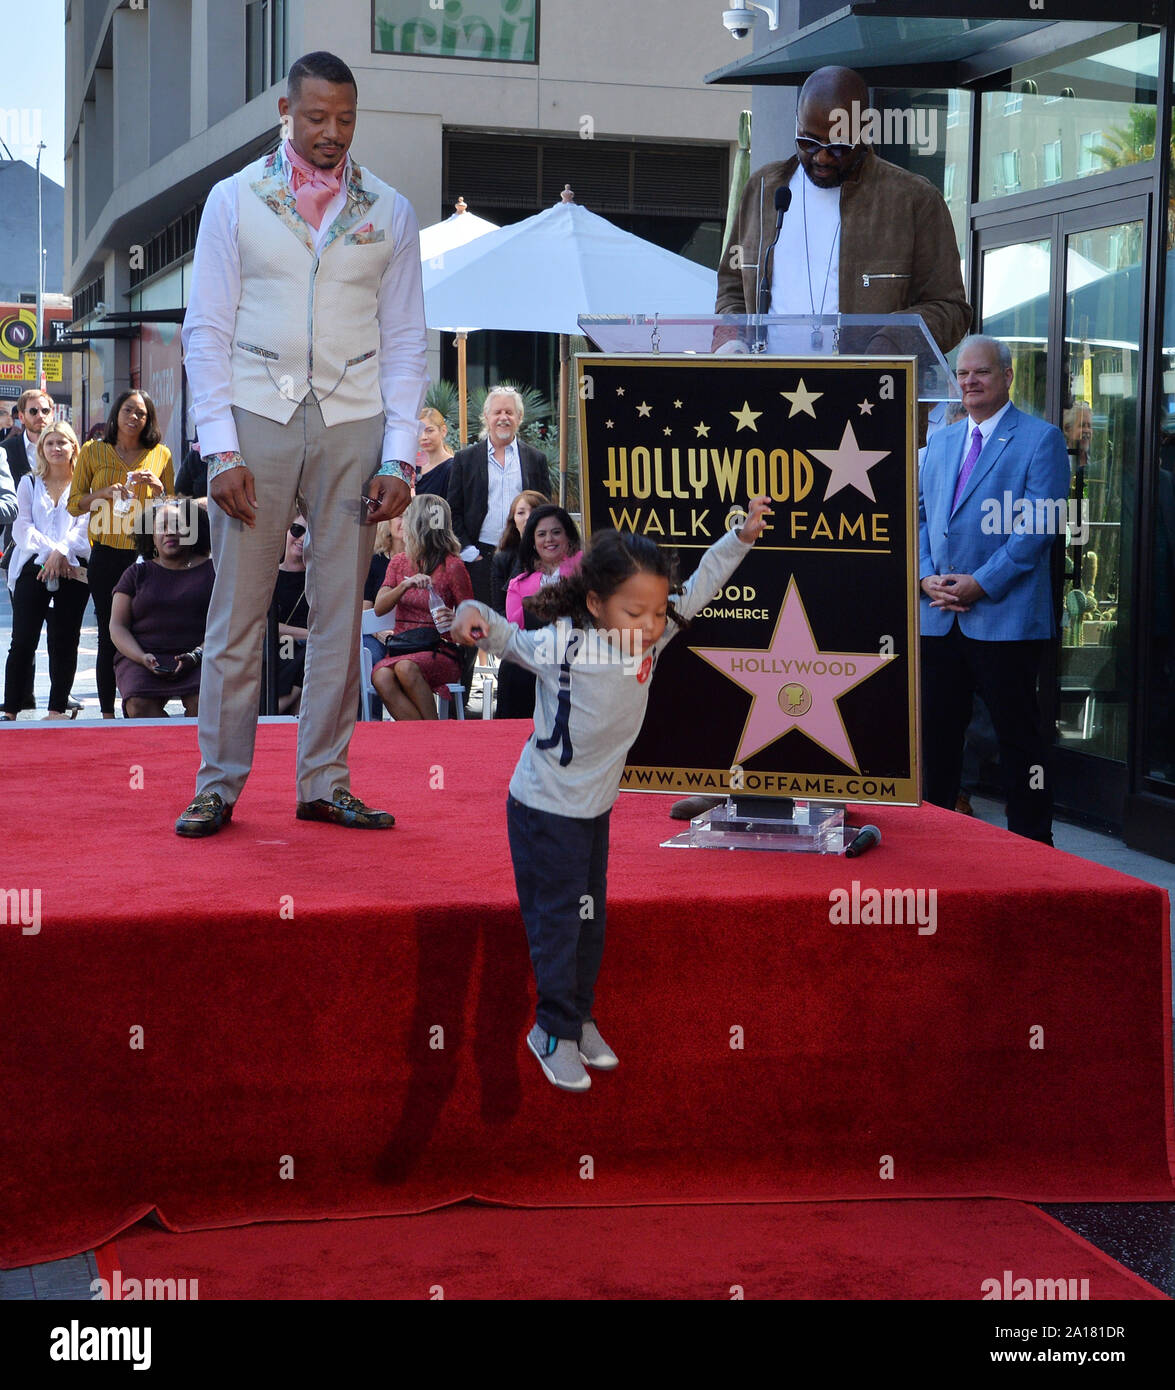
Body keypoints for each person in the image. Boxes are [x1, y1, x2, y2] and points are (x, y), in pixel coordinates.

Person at [174, 49, 428, 837]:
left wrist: (399, 456)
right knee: (237, 615)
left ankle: (323, 780)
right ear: (285, 111)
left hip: (355, 421)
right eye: (315, 118)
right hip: (256, 417)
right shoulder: (233, 199)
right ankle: (218, 783)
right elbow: (206, 328)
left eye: (344, 120)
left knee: (338, 617)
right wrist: (219, 447)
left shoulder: (389, 209)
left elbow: (408, 341)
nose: (330, 134)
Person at [449, 497, 772, 1091]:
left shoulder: (651, 636)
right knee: (559, 925)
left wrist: (741, 538)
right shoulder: (564, 646)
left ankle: (579, 1017)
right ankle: (551, 1030)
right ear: (596, 604)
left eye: (655, 612)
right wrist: (472, 613)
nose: (650, 626)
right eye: (634, 612)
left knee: (589, 920)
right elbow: (506, 638)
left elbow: (701, 586)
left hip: (593, 811)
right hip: (544, 811)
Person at [919, 334, 1070, 845]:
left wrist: (981, 583)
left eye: (980, 372)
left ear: (1007, 376)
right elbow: (916, 518)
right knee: (935, 737)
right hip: (938, 615)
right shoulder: (938, 442)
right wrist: (923, 577)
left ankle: (1033, 843)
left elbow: (1037, 531)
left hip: (1004, 618)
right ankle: (934, 836)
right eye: (962, 374)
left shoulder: (1040, 439)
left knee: (1020, 740)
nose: (969, 382)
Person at [715, 65, 969, 360]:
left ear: (866, 130)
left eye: (837, 147)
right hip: (769, 390)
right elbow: (731, 287)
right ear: (796, 125)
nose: (821, 157)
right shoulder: (762, 189)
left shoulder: (914, 199)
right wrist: (731, 341)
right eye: (808, 142)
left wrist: (893, 341)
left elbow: (951, 309)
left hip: (869, 394)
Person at [67, 389, 173, 718]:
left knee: (148, 630)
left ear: (149, 421)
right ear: (116, 414)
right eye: (128, 410)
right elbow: (74, 505)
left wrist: (158, 490)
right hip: (107, 554)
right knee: (108, 632)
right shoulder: (93, 452)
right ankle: (107, 714)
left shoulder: (161, 455)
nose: (134, 418)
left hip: (146, 557)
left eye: (141, 414)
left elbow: (172, 511)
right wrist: (104, 493)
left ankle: (140, 704)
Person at [1, 423, 91, 721]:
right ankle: (11, 709)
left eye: (62, 443)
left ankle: (56, 709)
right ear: (42, 450)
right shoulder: (29, 483)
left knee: (65, 639)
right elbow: (22, 527)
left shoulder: (84, 486)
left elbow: (84, 528)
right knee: (23, 639)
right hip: (33, 567)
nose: (56, 448)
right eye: (50, 443)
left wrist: (61, 552)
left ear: (73, 448)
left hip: (72, 568)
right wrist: (49, 555)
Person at [109, 498, 214, 719]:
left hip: (199, 658)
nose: (169, 532)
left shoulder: (214, 571)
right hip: (143, 657)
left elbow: (224, 624)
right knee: (138, 704)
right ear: (152, 537)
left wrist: (196, 655)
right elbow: (117, 627)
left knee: (205, 704)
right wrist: (141, 657)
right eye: (161, 528)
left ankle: (197, 752)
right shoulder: (136, 573)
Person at [446, 387, 550, 608]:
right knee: (483, 629)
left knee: (522, 625)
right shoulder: (465, 459)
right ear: (486, 417)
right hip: (481, 556)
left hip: (524, 555)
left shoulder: (535, 459)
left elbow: (545, 510)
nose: (504, 417)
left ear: (519, 417)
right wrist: (469, 552)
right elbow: (453, 509)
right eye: (497, 412)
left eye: (509, 412)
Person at [371, 493, 472, 720]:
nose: (404, 523)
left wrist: (456, 619)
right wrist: (404, 586)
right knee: (380, 676)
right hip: (403, 646)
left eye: (408, 517)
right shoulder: (398, 562)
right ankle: (425, 738)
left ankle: (431, 736)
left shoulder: (452, 566)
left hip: (440, 648)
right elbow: (379, 608)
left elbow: (473, 621)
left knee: (405, 668)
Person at [497, 504, 582, 720]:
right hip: (537, 651)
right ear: (533, 543)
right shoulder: (519, 584)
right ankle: (513, 732)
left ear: (568, 538)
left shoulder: (585, 572)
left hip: (578, 650)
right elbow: (515, 629)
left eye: (556, 532)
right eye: (541, 534)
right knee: (513, 665)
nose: (549, 540)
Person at [272, 515, 310, 715]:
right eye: (297, 530)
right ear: (285, 530)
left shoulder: (318, 579)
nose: (302, 538)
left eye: (310, 533)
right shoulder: (268, 575)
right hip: (271, 647)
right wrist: (311, 635)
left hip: (305, 650)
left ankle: (272, 712)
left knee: (312, 657)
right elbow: (266, 626)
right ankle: (273, 713)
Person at [490, 488, 547, 615]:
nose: (528, 517)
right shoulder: (502, 559)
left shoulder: (557, 554)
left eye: (534, 511)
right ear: (513, 521)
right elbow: (499, 610)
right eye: (521, 513)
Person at [414, 407, 453, 499]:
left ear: (443, 431)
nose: (424, 437)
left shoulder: (452, 468)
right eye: (419, 431)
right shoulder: (414, 468)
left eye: (429, 431)